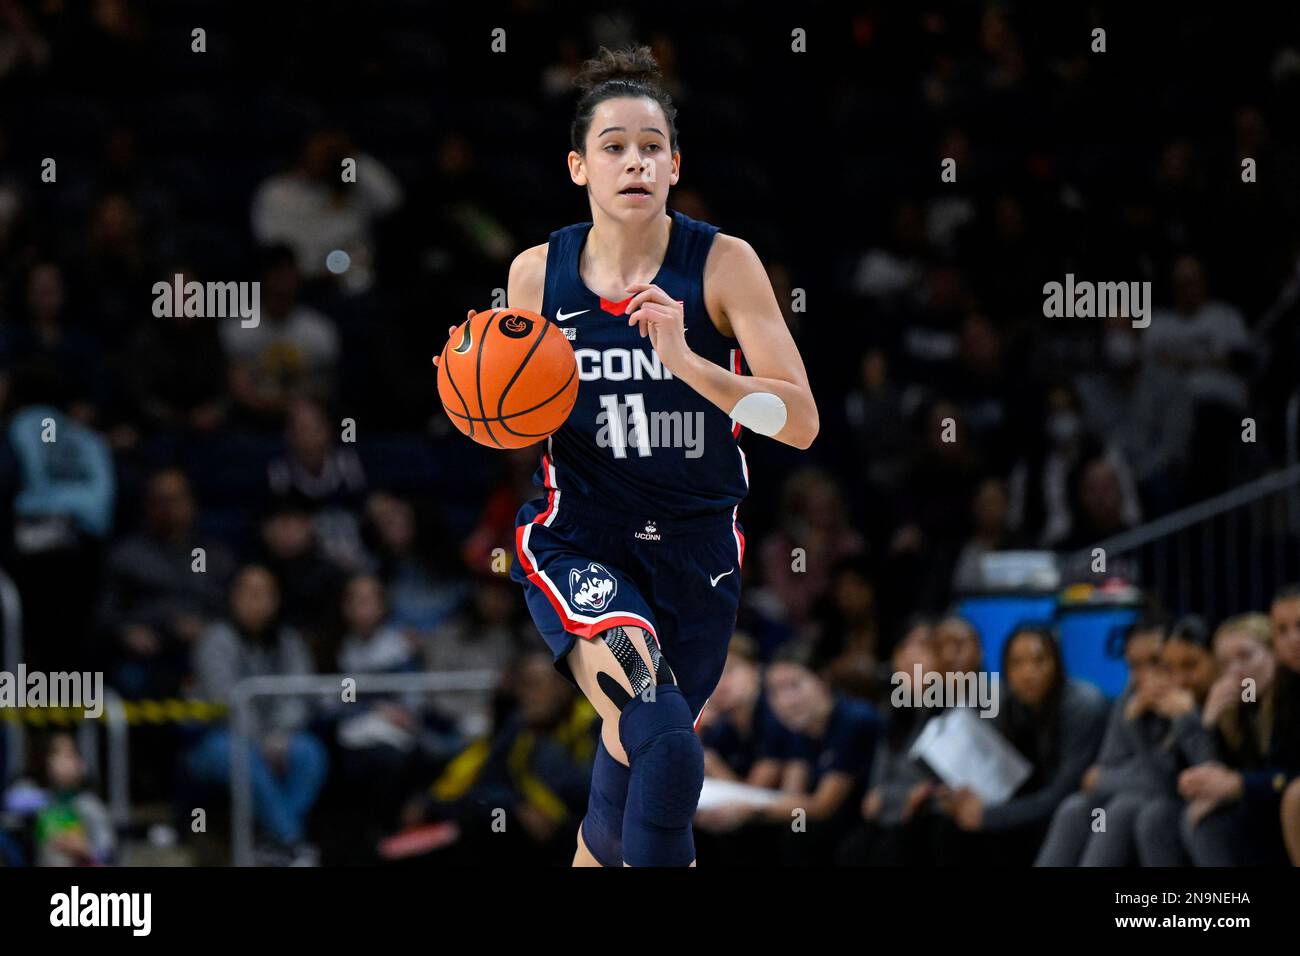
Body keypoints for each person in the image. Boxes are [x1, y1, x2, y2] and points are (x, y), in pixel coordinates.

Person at [435, 45, 818, 867]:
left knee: (621, 796)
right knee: (668, 743)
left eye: (651, 146)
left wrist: (690, 364)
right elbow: (512, 419)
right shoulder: (539, 273)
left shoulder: (724, 264)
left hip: (697, 551)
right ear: (579, 166)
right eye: (613, 146)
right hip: (580, 539)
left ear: (676, 165)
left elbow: (799, 422)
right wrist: (481, 404)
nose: (633, 161)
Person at [1035, 614, 1216, 866]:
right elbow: (1100, 772)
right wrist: (1132, 727)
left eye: (1155, 662)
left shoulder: (1187, 699)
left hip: (1170, 800)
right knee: (1075, 808)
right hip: (1145, 792)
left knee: (1125, 808)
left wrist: (1183, 720)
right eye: (1134, 666)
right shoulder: (1131, 698)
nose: (1144, 676)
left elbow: (1166, 781)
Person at [185, 565, 328, 866]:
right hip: (216, 740)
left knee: (309, 751)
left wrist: (280, 736)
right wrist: (263, 742)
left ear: (276, 601)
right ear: (233, 597)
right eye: (248, 593)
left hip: (278, 737)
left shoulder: (289, 640)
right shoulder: (216, 639)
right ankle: (291, 840)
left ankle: (271, 845)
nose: (256, 602)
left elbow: (299, 693)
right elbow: (226, 700)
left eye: (264, 594)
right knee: (236, 754)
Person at [933, 623, 1108, 866]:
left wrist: (989, 816)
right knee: (951, 826)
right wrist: (960, 793)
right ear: (1005, 671)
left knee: (1067, 812)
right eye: (1017, 663)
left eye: (1039, 661)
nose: (1028, 673)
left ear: (1057, 665)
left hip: (1094, 812)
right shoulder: (1006, 703)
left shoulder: (1083, 706)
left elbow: (1062, 792)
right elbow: (996, 776)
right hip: (1036, 808)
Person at [1180, 610, 1297, 865]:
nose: (1235, 671)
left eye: (1245, 656)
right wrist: (1207, 724)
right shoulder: (1236, 711)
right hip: (1259, 811)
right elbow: (1202, 775)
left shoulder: (1290, 697)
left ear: (1273, 654)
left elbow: (1292, 776)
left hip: (1282, 811)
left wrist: (1240, 784)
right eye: (1224, 664)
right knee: (1196, 818)